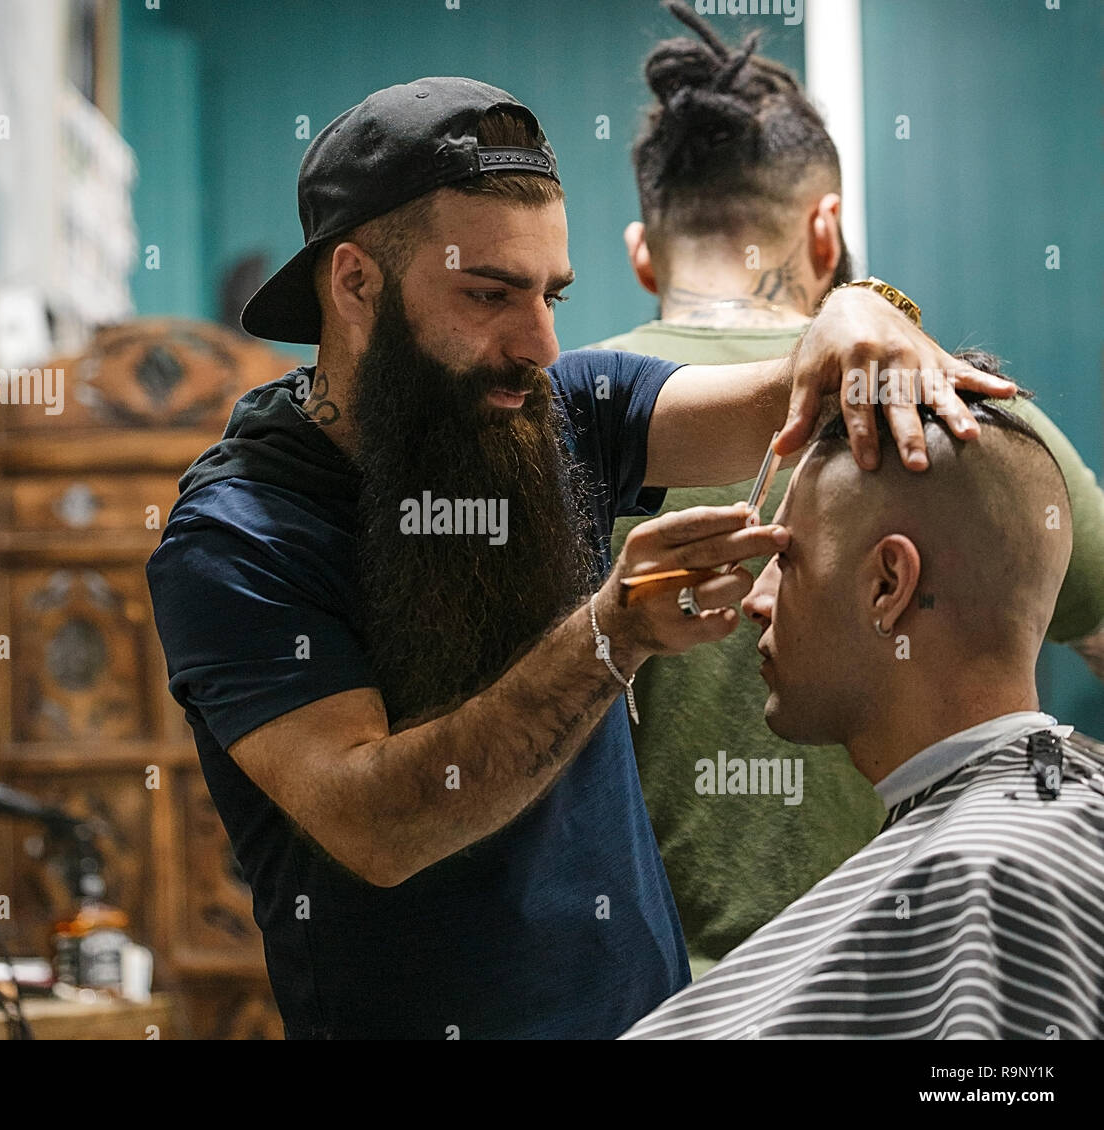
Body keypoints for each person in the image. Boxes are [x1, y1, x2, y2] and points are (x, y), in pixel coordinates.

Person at [145, 76, 1010, 1039]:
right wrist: (612, 635)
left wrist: (856, 311)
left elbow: (784, 397)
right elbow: (378, 826)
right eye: (489, 295)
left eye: (552, 296)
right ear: (355, 283)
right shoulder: (242, 535)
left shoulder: (560, 415)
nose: (540, 344)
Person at [598, 1, 1104, 977]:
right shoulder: (964, 422)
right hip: (937, 989)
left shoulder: (551, 436)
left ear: (641, 253)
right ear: (825, 231)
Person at [623, 377, 1104, 1040]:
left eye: (784, 559)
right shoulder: (1030, 827)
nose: (756, 601)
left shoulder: (999, 874)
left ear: (888, 586)